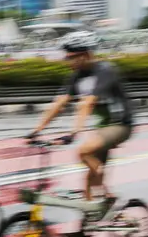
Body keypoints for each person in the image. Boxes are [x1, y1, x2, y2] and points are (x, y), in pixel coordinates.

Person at [28, 31, 134, 213]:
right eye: (67, 58)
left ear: (87, 54)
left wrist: (74, 132)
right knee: (87, 185)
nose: (70, 62)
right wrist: (37, 130)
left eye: (74, 57)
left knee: (84, 151)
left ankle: (106, 192)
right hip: (103, 127)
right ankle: (85, 230)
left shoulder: (105, 70)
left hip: (120, 125)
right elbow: (59, 103)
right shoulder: (76, 76)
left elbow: (88, 102)